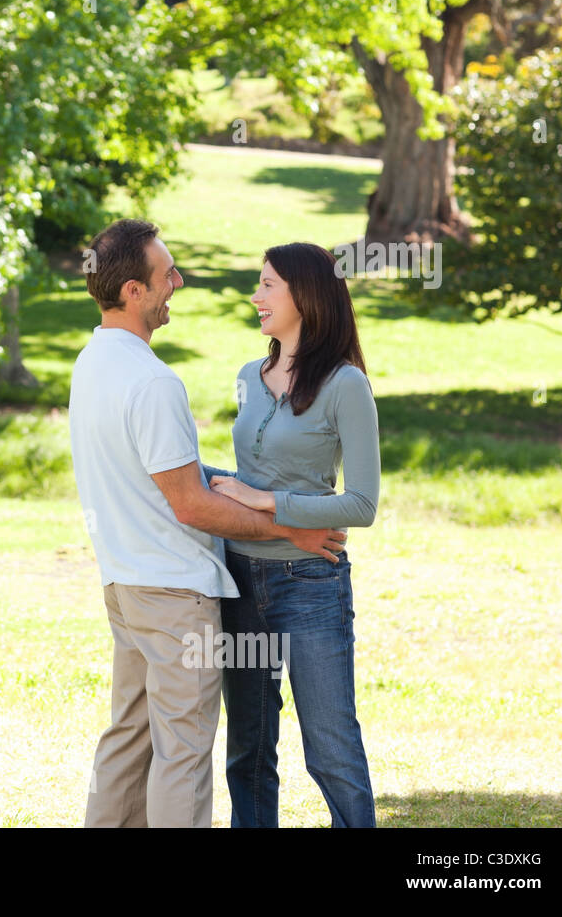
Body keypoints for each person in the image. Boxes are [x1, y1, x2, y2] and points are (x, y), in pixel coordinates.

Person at [69, 219, 347, 828]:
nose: (178, 281)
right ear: (134, 292)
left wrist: (245, 489)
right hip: (174, 597)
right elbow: (190, 504)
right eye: (166, 273)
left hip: (125, 586)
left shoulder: (92, 362)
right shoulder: (152, 382)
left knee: (127, 740)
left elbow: (172, 479)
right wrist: (292, 529)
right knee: (183, 754)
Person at [205, 241, 380, 828]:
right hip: (238, 577)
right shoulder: (246, 377)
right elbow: (242, 474)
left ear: (304, 294)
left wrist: (265, 502)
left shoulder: (344, 383)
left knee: (330, 748)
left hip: (308, 582)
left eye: (267, 285)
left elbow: (360, 503)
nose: (256, 297)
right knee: (249, 749)